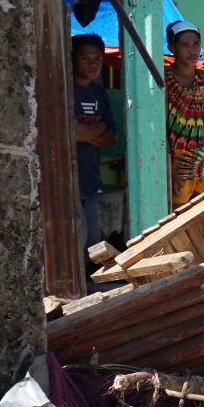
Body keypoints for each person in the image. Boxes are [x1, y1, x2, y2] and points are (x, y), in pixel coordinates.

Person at [163, 20, 204, 209]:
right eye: (185, 45)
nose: (192, 50)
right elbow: (162, 128)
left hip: (203, 160)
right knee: (176, 217)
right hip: (177, 162)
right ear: (172, 47)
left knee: (203, 216)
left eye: (195, 44)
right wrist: (170, 169)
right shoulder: (165, 80)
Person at [70, 33, 117, 252]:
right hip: (69, 180)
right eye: (85, 58)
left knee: (92, 245)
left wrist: (85, 131)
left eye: (97, 59)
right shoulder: (66, 90)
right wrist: (98, 128)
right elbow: (70, 133)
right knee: (77, 241)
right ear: (72, 59)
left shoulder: (100, 93)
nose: (92, 64)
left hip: (90, 180)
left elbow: (112, 137)